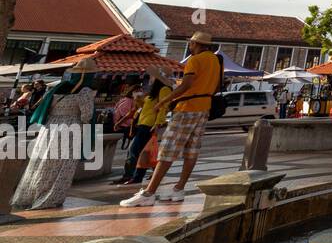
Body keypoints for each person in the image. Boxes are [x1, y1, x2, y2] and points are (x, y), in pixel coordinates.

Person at [120, 31, 222, 207]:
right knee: (191, 150)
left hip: (187, 108)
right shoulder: (214, 60)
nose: (189, 46)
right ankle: (179, 189)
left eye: (190, 43)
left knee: (168, 149)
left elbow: (187, 85)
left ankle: (149, 192)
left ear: (195, 44)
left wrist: (164, 102)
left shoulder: (195, 60)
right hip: (204, 107)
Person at [11, 59, 97, 210]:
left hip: (49, 128)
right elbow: (86, 115)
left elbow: (47, 108)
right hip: (71, 129)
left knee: (41, 163)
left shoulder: (58, 88)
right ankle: (49, 197)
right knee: (61, 166)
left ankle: (30, 195)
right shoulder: (85, 92)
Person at [112, 78, 173, 187]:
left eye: (152, 78)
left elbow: (163, 108)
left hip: (148, 125)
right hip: (142, 124)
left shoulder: (164, 90)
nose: (150, 80)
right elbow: (142, 108)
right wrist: (138, 99)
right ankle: (147, 174)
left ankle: (138, 175)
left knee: (135, 150)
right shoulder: (151, 94)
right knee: (144, 152)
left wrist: (157, 124)